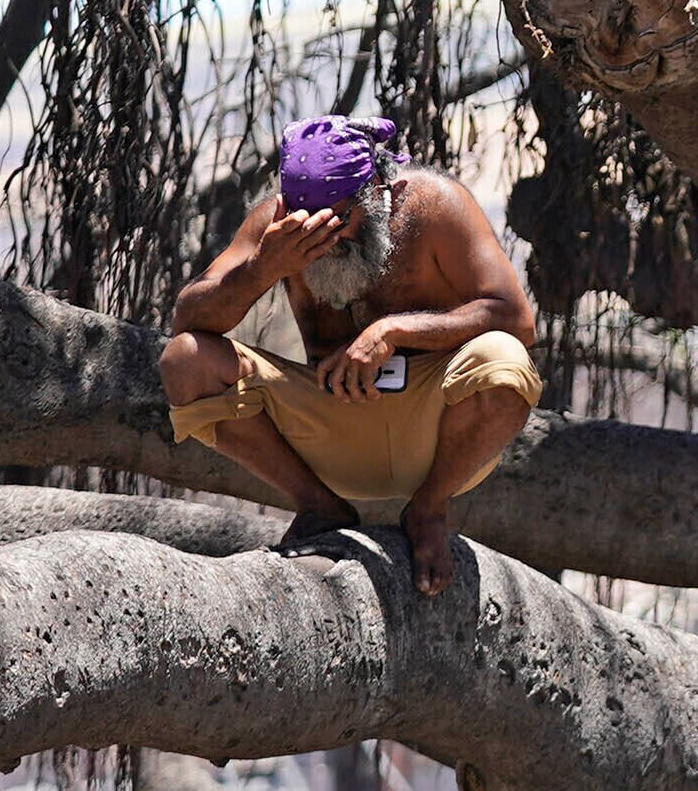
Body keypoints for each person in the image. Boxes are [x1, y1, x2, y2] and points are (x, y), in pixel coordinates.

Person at [161, 115, 540, 595]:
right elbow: (188, 319)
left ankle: (428, 509)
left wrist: (395, 330)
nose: (326, 240)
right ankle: (319, 506)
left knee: (503, 360)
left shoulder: (435, 207)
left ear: (378, 191)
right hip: (328, 425)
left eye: (340, 221)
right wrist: (263, 268)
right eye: (310, 226)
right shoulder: (276, 228)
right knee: (185, 359)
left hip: (436, 430)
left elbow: (518, 320)